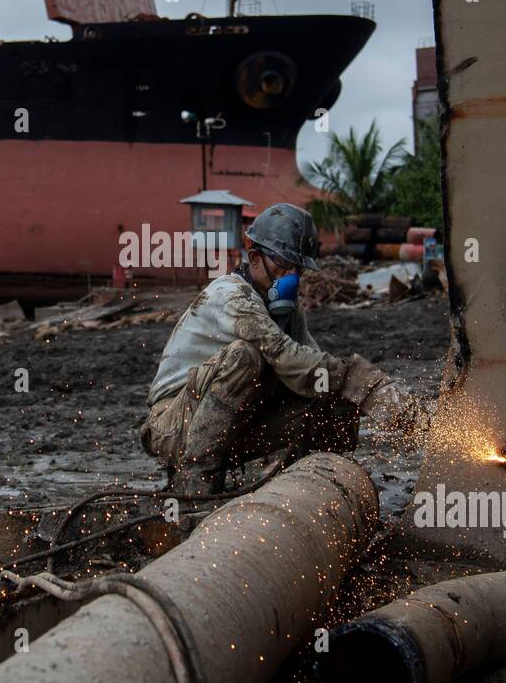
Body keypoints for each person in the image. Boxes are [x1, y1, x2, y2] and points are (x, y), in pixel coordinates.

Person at [140, 203, 421, 496]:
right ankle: (193, 491)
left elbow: (310, 367)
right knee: (246, 358)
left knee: (328, 393)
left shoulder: (286, 309)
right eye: (284, 265)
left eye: (297, 268)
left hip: (230, 425)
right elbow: (285, 355)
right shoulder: (232, 296)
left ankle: (316, 486)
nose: (292, 276)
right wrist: (353, 375)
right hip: (173, 425)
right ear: (254, 257)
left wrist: (365, 392)